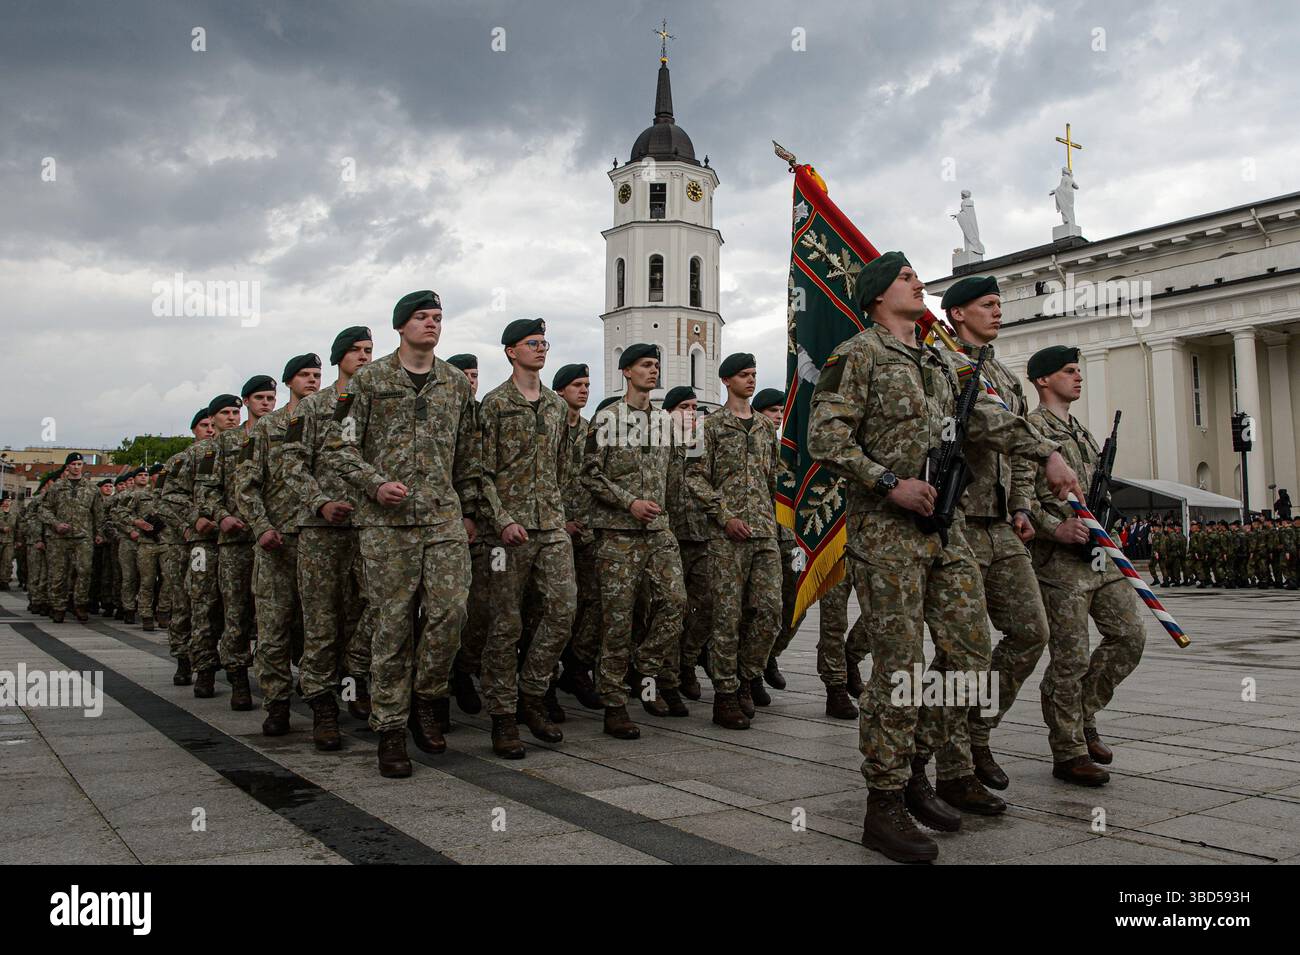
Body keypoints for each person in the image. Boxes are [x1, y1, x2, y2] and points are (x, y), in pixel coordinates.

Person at [807, 252, 1079, 863]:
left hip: (944, 527)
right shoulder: (857, 355)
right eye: (905, 278)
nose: (917, 282)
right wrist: (885, 481)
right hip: (887, 530)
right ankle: (884, 804)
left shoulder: (935, 360)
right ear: (878, 296)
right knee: (900, 665)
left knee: (972, 654)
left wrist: (1047, 453)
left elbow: (985, 418)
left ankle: (915, 766)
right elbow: (824, 437)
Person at [323, 290, 478, 778]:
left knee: (451, 612)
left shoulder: (455, 382)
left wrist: (470, 510)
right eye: (421, 317)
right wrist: (374, 484)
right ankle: (390, 728)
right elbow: (338, 449)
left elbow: (470, 452)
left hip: (442, 517)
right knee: (391, 624)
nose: (431, 324)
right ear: (400, 327)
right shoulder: (368, 381)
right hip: (387, 524)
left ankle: (428, 697)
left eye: (437, 317)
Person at [932, 276, 1055, 793]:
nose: (999, 312)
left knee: (1030, 632)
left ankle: (978, 729)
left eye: (1000, 305)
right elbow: (982, 427)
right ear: (958, 314)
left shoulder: (1004, 377)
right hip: (957, 521)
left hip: (1002, 526)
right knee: (962, 649)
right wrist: (1048, 452)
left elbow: (1020, 452)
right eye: (988, 305)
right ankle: (950, 761)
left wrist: (1023, 505)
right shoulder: (945, 364)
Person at [1023, 345, 1148, 787]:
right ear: (1042, 380)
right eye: (1068, 371)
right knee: (1070, 658)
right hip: (1059, 564)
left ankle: (1082, 711)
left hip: (1100, 556)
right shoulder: (1031, 432)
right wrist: (1053, 528)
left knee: (1130, 636)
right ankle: (1069, 749)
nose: (1078, 377)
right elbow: (1019, 498)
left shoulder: (1082, 432)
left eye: (1079, 370)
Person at [476, 318, 576, 757]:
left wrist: (562, 514)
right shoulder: (494, 405)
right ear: (511, 352)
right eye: (532, 343)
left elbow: (564, 465)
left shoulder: (555, 406)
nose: (540, 349)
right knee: (505, 623)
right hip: (507, 533)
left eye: (544, 342)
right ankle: (503, 715)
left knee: (562, 609)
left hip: (551, 525)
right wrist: (500, 520)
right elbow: (479, 472)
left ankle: (532, 691)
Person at [582, 343, 688, 738]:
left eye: (657, 366)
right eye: (645, 365)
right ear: (627, 372)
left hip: (659, 532)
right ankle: (613, 701)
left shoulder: (664, 422)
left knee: (676, 601)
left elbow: (674, 478)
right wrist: (629, 502)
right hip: (618, 535)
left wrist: (669, 520)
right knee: (618, 618)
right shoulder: (607, 419)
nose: (653, 371)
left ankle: (645, 663)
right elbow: (589, 474)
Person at [281, 327, 376, 741]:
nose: (363, 357)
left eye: (369, 351)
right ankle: (321, 702)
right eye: (355, 351)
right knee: (321, 618)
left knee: (374, 607)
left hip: (369, 525)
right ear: (339, 357)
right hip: (321, 528)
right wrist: (320, 502)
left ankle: (356, 677)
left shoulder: (379, 403)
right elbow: (292, 465)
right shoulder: (314, 407)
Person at [686, 353, 782, 730]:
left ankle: (747, 675)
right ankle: (725, 694)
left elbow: (772, 479)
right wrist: (724, 516)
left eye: (754, 374)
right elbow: (693, 476)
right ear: (727, 380)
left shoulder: (763, 427)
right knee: (727, 615)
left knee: (770, 610)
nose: (751, 380)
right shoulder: (707, 427)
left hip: (763, 532)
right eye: (744, 375)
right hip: (727, 536)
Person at [756, 387, 859, 720]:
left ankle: (850, 660)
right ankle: (832, 685)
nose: (777, 416)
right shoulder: (793, 444)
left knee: (871, 616)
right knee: (797, 609)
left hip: (856, 535)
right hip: (801, 540)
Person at [197, 375, 277, 710]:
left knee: (272, 613)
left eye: (270, 398)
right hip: (236, 540)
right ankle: (238, 676)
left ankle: (276, 680)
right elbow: (205, 491)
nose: (266, 404)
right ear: (247, 402)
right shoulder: (219, 445)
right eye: (259, 398)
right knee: (236, 612)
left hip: (273, 539)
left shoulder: (281, 435)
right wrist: (221, 517)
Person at [165, 394, 241, 699]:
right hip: (203, 543)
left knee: (236, 608)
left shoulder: (246, 447)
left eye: (236, 412)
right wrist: (195, 519)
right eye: (225, 413)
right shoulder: (191, 456)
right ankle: (201, 666)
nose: (232, 418)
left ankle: (236, 669)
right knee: (202, 604)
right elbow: (170, 496)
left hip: (236, 540)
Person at [552, 362, 605, 711]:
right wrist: (561, 521)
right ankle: (540, 684)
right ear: (559, 392)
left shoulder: (590, 432)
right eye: (576, 385)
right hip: (552, 529)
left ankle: (577, 666)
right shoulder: (549, 428)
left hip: (585, 533)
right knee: (552, 607)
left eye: (587, 384)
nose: (584, 390)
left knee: (595, 600)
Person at [38, 453, 104, 623]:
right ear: (67, 466)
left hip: (83, 536)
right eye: (73, 464)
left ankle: (80, 604)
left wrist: (99, 533)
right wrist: (56, 524)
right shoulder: (57, 487)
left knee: (84, 571)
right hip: (60, 537)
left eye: (79, 464)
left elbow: (98, 513)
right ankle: (58, 606)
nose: (76, 467)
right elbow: (44, 510)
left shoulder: (92, 489)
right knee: (58, 573)